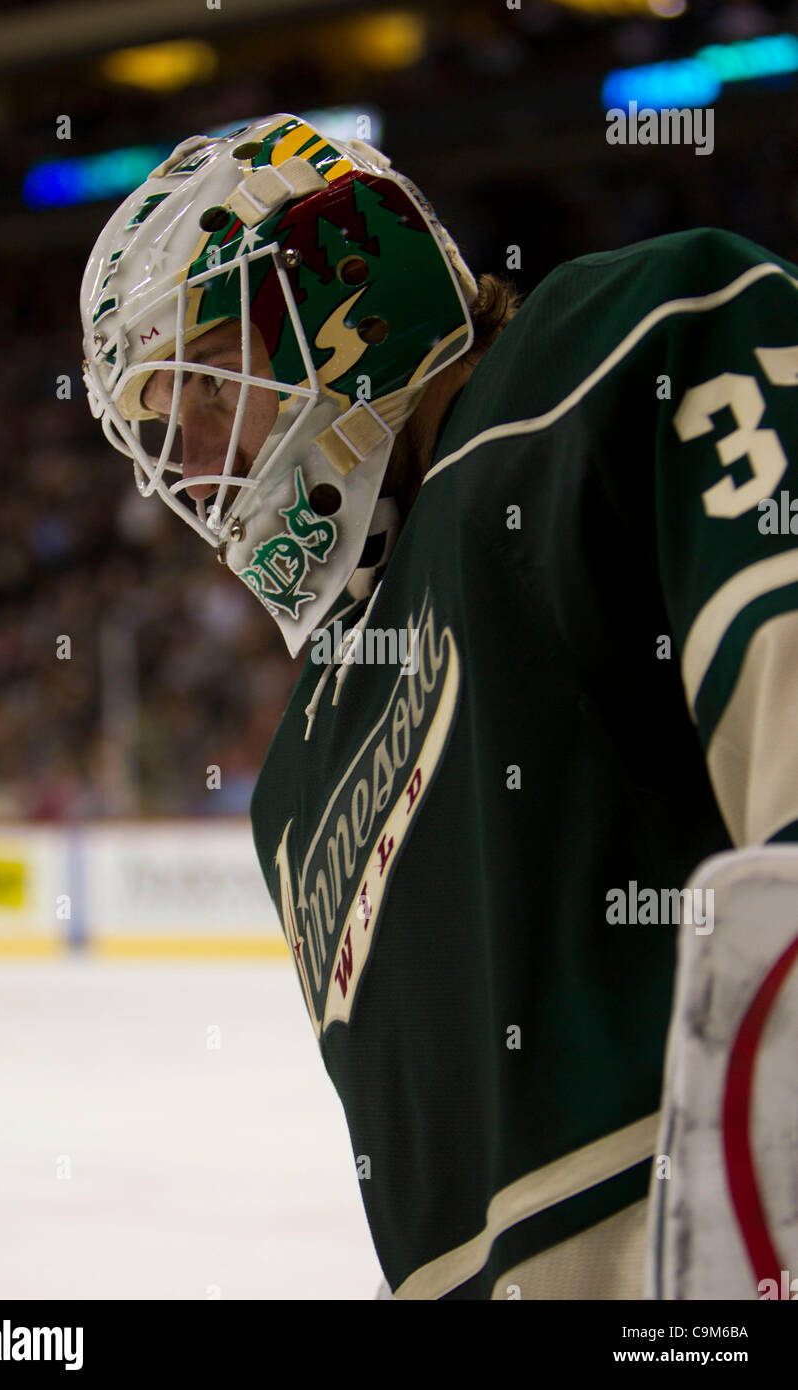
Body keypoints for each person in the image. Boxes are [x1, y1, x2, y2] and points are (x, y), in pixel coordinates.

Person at [81, 113, 798, 1300]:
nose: (196, 466)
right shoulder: (294, 787)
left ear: (346, 290)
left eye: (209, 387)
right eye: (164, 433)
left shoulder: (623, 347)